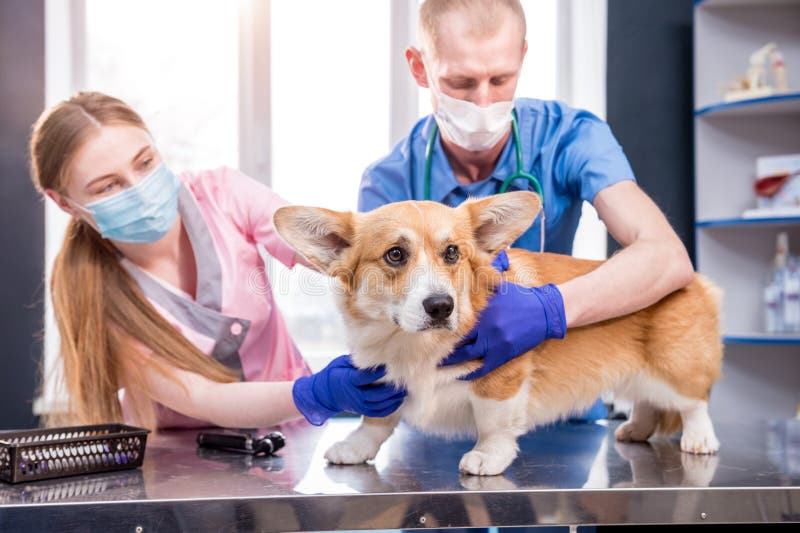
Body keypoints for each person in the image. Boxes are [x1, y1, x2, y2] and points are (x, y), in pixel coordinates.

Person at [358, 0, 694, 420]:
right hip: (440, 410)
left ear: (522, 56)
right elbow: (380, 316)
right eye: (461, 82)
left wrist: (549, 308)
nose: (483, 102)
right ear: (419, 68)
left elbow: (666, 258)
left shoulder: (569, 137)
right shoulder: (388, 183)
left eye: (501, 79)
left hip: (561, 396)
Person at [31, 91, 406, 430]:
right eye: (108, 186)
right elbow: (207, 398)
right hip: (183, 465)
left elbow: (325, 249)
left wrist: (416, 286)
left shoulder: (223, 194)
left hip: (291, 436)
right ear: (64, 202)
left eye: (145, 163)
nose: (139, 188)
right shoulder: (99, 299)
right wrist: (315, 393)